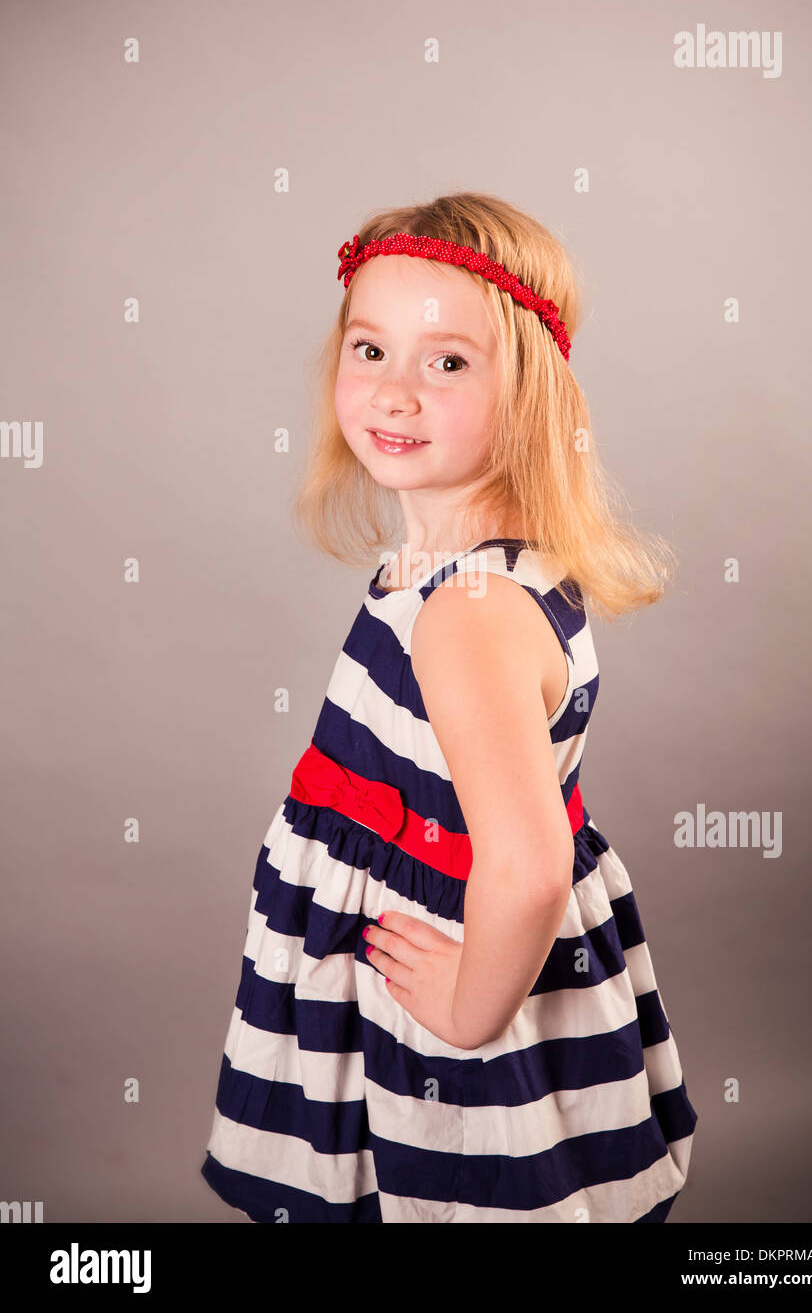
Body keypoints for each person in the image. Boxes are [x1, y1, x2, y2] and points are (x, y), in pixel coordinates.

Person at [200, 190, 698, 1223]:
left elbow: (520, 865)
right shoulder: (458, 563)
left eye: (448, 362)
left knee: (454, 1189)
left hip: (447, 960)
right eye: (369, 349)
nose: (394, 393)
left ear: (529, 392)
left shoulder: (464, 613)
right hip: (436, 927)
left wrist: (468, 1012)